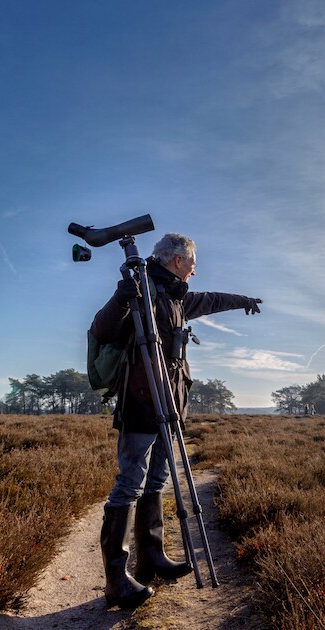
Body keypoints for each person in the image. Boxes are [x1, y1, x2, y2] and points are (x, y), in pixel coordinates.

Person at [88, 232, 261, 609]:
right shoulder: (142, 290)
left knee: (157, 480)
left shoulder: (176, 297)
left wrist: (243, 300)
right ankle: (116, 580)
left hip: (172, 403)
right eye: (193, 263)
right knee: (129, 483)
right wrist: (121, 298)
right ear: (178, 261)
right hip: (141, 401)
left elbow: (211, 299)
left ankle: (151, 558)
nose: (195, 271)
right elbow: (102, 328)